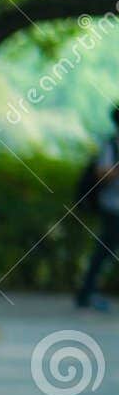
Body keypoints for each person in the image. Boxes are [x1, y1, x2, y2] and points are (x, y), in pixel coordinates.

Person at [76, 105, 119, 310]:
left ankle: (88, 291)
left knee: (105, 251)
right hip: (113, 206)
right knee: (104, 251)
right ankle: (87, 291)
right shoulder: (111, 145)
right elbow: (102, 173)